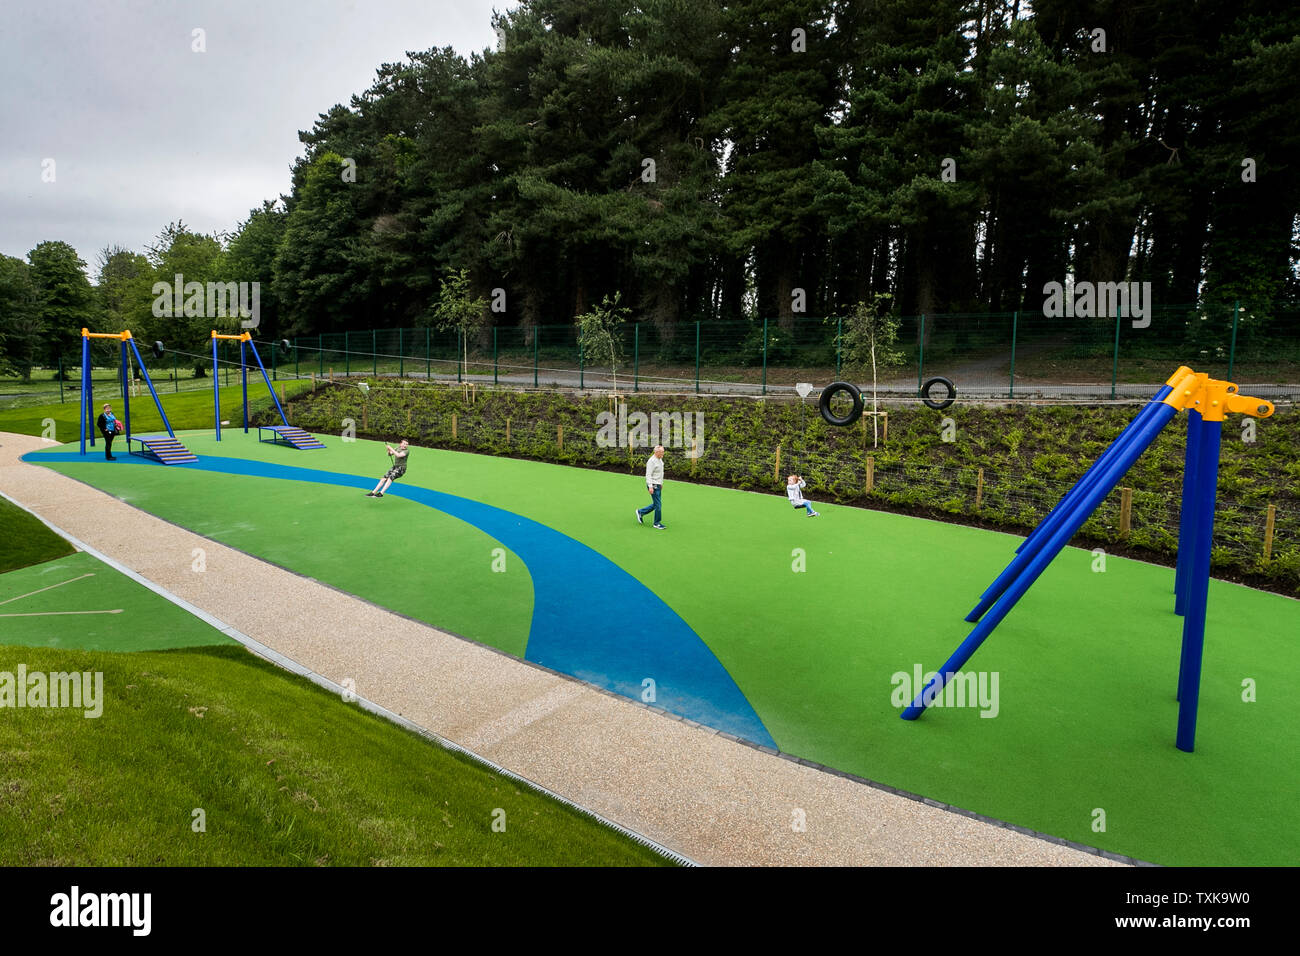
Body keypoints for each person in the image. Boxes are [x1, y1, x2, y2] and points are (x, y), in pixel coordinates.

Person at [635, 445, 666, 529]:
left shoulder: (660, 459)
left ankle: (640, 512)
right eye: (661, 452)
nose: (663, 453)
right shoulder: (651, 461)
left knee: (656, 504)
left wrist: (661, 483)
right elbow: (648, 475)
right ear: (656, 452)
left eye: (663, 451)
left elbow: (660, 473)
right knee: (658, 505)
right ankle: (657, 523)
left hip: (658, 484)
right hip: (653, 485)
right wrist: (650, 486)